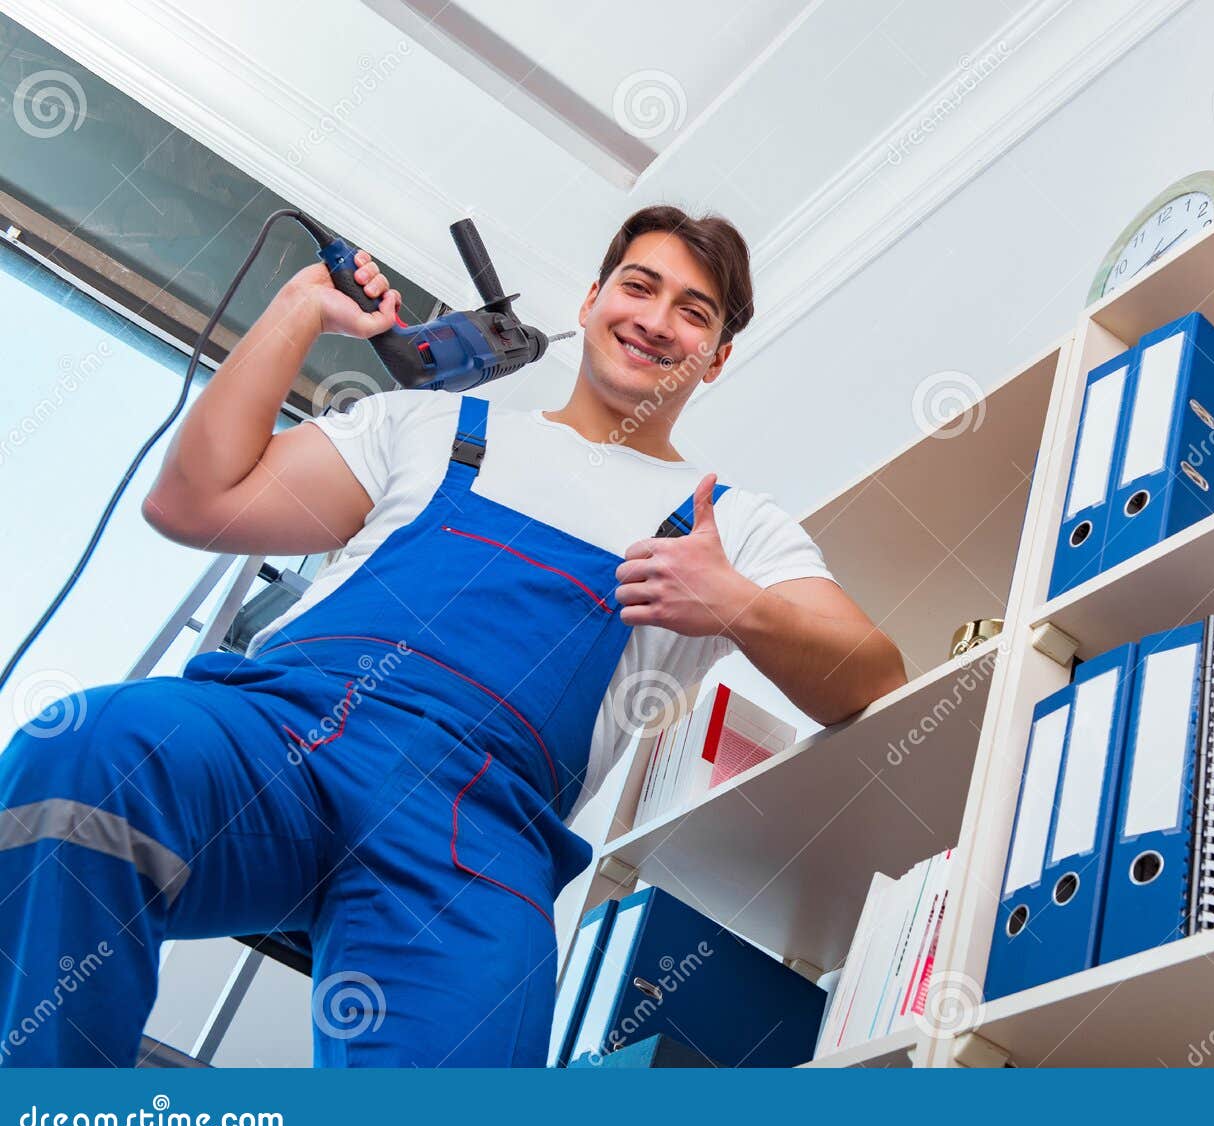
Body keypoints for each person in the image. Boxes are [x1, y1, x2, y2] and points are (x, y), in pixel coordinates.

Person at [0, 205, 907, 1067]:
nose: (656, 320)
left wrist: (736, 602)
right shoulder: (433, 425)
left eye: (693, 312)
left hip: (477, 841)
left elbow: (867, 676)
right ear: (591, 302)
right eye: (638, 286)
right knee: (89, 749)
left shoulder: (731, 525)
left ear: (715, 359)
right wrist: (300, 309)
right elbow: (193, 502)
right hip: (285, 745)